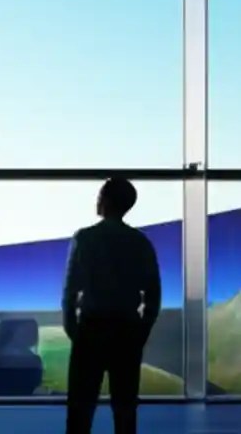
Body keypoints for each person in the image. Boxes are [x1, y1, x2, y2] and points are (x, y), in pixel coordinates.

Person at [63, 178, 162, 434]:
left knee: (80, 410)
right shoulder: (140, 242)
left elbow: (70, 290)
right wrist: (142, 331)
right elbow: (153, 293)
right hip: (126, 331)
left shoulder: (84, 238)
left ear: (104, 200)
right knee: (125, 409)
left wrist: (74, 329)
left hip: (91, 330)